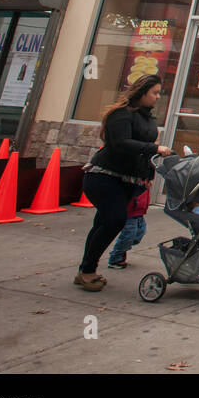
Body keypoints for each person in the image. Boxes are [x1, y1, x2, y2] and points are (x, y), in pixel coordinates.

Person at [75, 75, 171, 290]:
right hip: (104, 177)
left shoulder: (147, 119)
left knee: (103, 222)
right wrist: (154, 149)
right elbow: (121, 143)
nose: (157, 97)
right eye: (154, 93)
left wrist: (148, 176)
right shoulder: (121, 115)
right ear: (142, 92)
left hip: (127, 180)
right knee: (115, 220)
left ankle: (85, 269)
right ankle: (88, 270)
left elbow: (144, 152)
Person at [106, 185, 150, 269]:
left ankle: (122, 249)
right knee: (128, 236)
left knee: (139, 234)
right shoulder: (134, 179)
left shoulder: (146, 179)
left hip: (140, 212)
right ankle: (115, 258)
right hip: (130, 212)